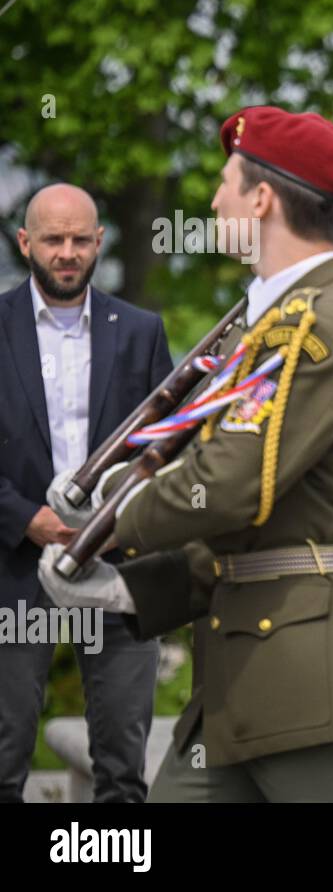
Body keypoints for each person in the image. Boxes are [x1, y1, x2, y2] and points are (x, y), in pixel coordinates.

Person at [39, 107, 333, 802]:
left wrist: (112, 520)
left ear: (261, 198)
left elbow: (227, 486)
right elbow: (256, 525)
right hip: (246, 666)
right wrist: (131, 587)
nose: (216, 199)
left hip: (303, 670)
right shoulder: (271, 325)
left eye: (227, 181)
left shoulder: (312, 327)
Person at [0, 184, 171, 803]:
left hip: (117, 561)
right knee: (4, 752)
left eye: (79, 239)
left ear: (99, 242)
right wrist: (27, 518)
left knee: (124, 768)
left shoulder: (141, 332)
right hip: (13, 563)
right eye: (53, 239)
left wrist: (126, 519)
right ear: (26, 243)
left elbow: (168, 448)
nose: (67, 252)